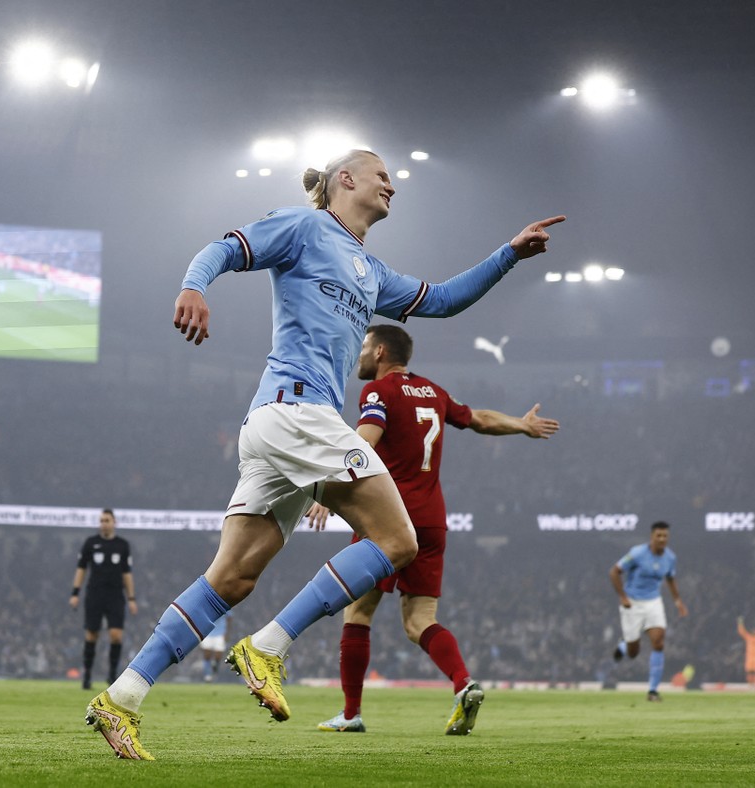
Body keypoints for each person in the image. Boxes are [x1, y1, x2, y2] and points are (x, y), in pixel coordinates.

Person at [84, 148, 565, 760]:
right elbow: (224, 247)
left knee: (230, 579)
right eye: (382, 175)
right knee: (398, 542)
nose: (392, 185)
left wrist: (509, 255)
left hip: (277, 426)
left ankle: (120, 699)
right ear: (347, 180)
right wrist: (193, 286)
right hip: (296, 413)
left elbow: (442, 299)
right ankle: (269, 646)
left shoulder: (371, 269)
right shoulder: (306, 227)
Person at [309, 324, 559, 735]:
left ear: (381, 352)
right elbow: (478, 419)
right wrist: (520, 424)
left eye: (365, 347)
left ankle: (351, 714)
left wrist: (327, 489)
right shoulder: (433, 392)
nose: (359, 355)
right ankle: (464, 684)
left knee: (358, 611)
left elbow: (364, 440)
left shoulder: (378, 393)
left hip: (386, 519)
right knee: (420, 620)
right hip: (431, 519)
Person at [609, 521, 687, 702]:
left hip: (653, 602)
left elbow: (670, 579)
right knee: (634, 652)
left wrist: (678, 601)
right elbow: (614, 572)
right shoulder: (637, 553)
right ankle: (624, 645)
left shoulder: (670, 557)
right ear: (651, 537)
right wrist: (622, 597)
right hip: (632, 603)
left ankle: (652, 691)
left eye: (665, 536)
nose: (661, 539)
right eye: (658, 536)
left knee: (659, 642)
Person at [69, 509, 137, 690]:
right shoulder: (91, 543)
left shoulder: (122, 545)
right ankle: (87, 675)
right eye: (101, 520)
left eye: (107, 520)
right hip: (94, 594)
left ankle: (112, 675)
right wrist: (75, 592)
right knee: (92, 634)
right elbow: (81, 569)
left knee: (116, 635)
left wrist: (131, 598)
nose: (104, 523)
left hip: (115, 595)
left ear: (114, 522)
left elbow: (127, 573)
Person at [199, 612, 231, 683]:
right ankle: (207, 675)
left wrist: (227, 633)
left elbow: (229, 618)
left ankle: (215, 665)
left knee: (218, 655)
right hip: (207, 633)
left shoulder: (224, 603)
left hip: (220, 633)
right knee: (207, 655)